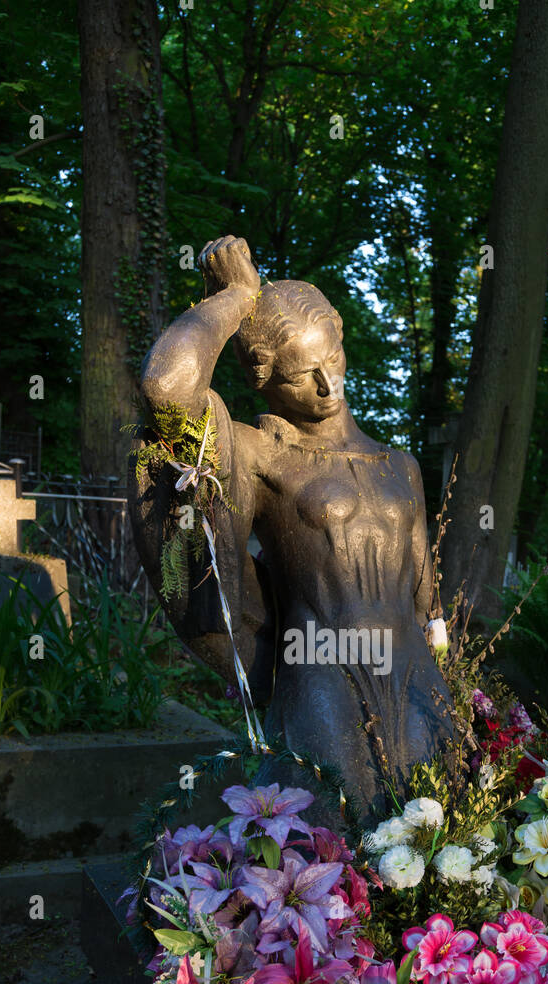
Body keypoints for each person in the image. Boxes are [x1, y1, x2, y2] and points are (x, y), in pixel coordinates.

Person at [129, 235, 453, 815]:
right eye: (304, 374)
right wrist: (236, 297)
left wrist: (455, 680)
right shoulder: (261, 456)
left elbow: (428, 605)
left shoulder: (401, 466)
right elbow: (166, 387)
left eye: (332, 359)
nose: (328, 385)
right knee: (337, 832)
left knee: (443, 834)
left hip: (414, 674)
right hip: (320, 670)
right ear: (264, 378)